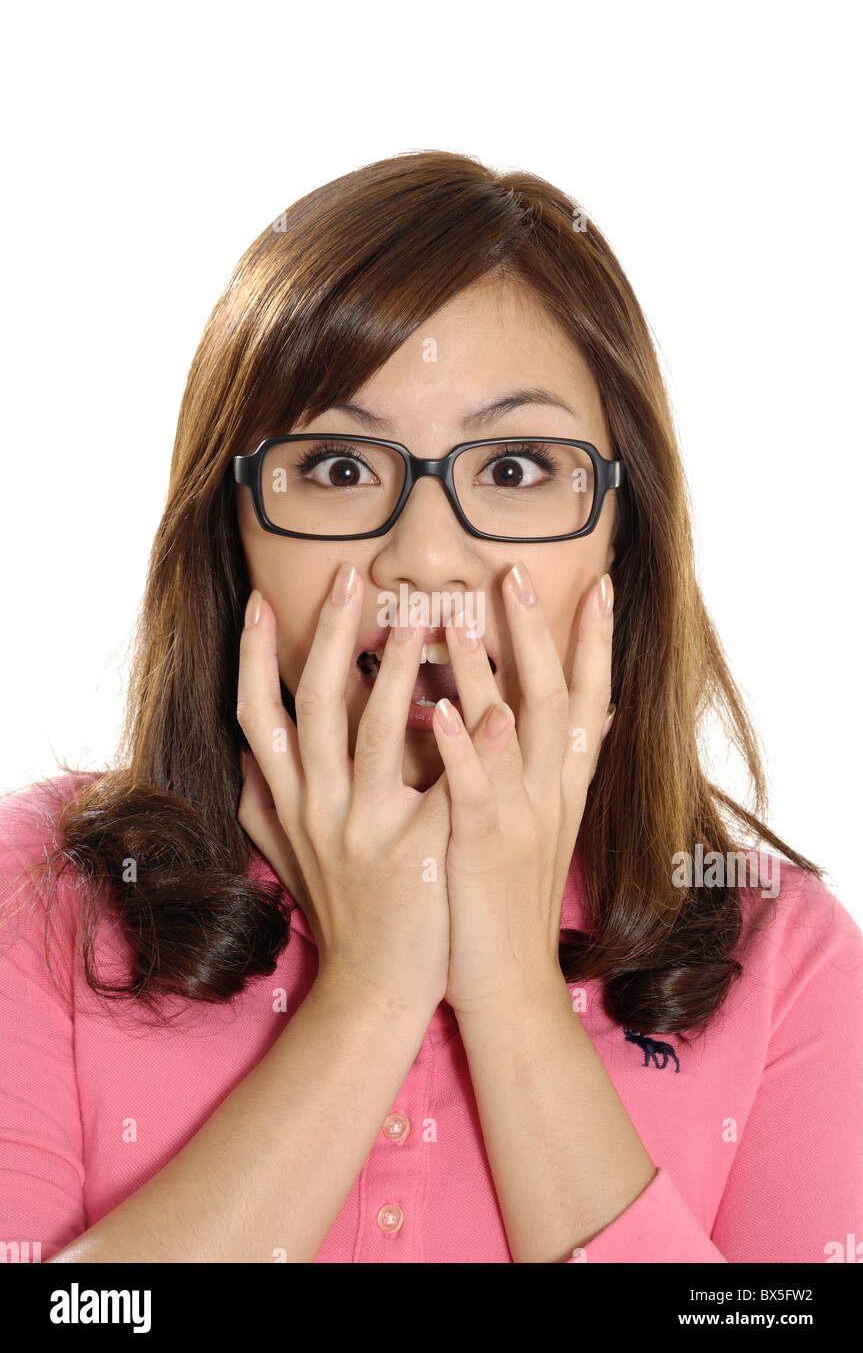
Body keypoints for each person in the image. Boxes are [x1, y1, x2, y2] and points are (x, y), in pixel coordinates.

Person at [1, 151, 861, 1264]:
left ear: (620, 530)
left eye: (511, 469)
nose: (424, 558)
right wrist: (365, 993)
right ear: (235, 531)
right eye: (338, 468)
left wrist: (507, 989)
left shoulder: (786, 964)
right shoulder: (43, 896)